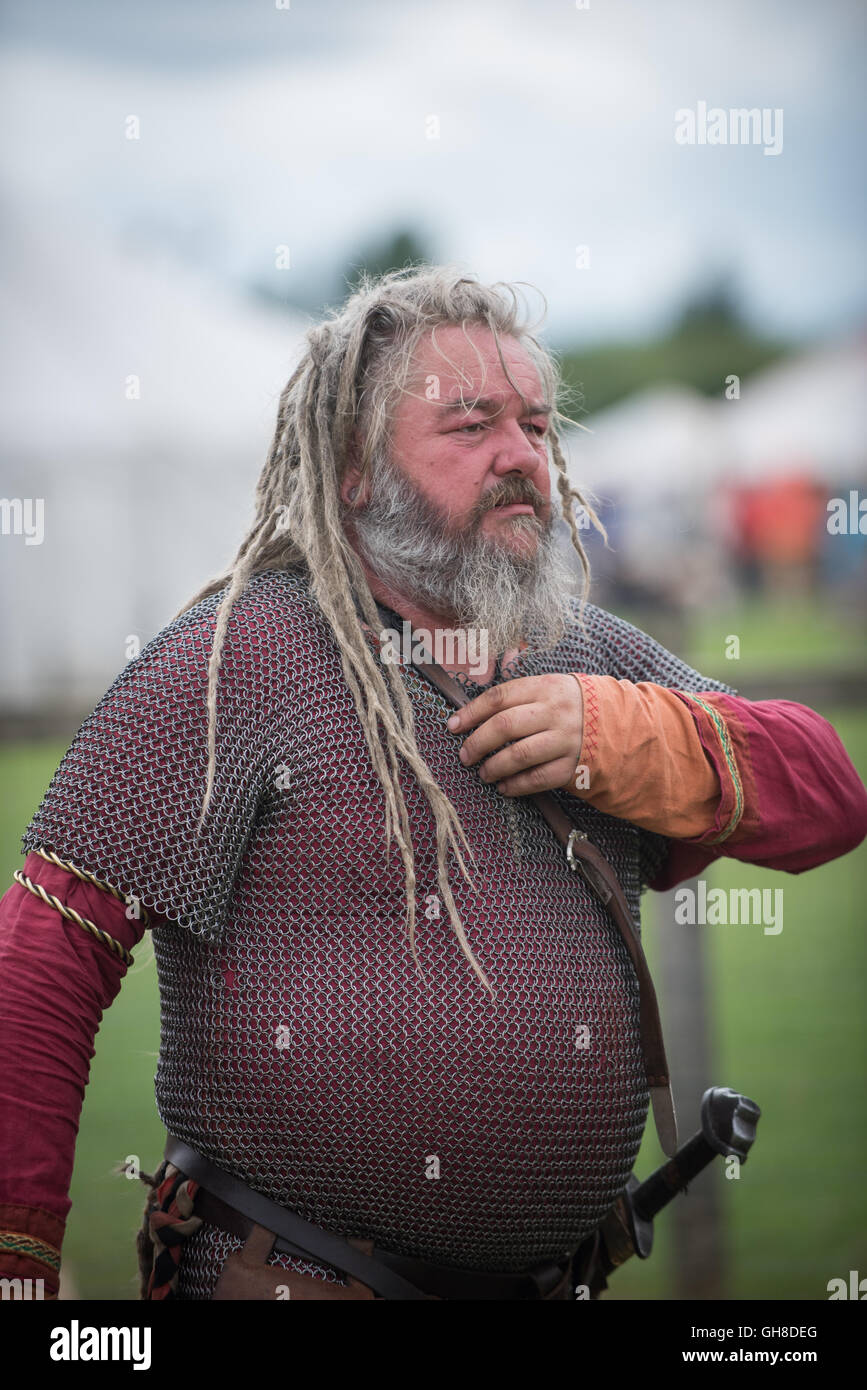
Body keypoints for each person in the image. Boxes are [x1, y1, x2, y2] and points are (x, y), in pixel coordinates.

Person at [1, 267, 865, 1301]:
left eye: (537, 426)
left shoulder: (589, 657)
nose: (522, 458)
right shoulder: (240, 656)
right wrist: (16, 1262)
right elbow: (47, 954)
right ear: (357, 466)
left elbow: (830, 793)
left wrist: (626, 737)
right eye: (471, 427)